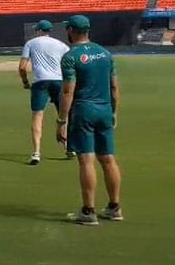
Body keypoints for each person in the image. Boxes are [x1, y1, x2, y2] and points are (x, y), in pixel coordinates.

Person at [56, 15, 123, 225]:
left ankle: (88, 211)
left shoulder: (70, 56)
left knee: (86, 160)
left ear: (71, 31)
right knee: (108, 159)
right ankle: (114, 207)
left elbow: (68, 91)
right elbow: (114, 87)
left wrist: (61, 121)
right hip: (104, 109)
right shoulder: (105, 53)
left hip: (84, 110)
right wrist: (114, 112)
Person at [18, 20, 71, 165]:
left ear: (39, 30)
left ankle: (36, 153)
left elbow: (22, 67)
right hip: (58, 80)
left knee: (37, 116)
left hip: (40, 81)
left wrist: (25, 82)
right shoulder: (62, 45)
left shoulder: (31, 43)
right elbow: (69, 65)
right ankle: (69, 147)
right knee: (63, 114)